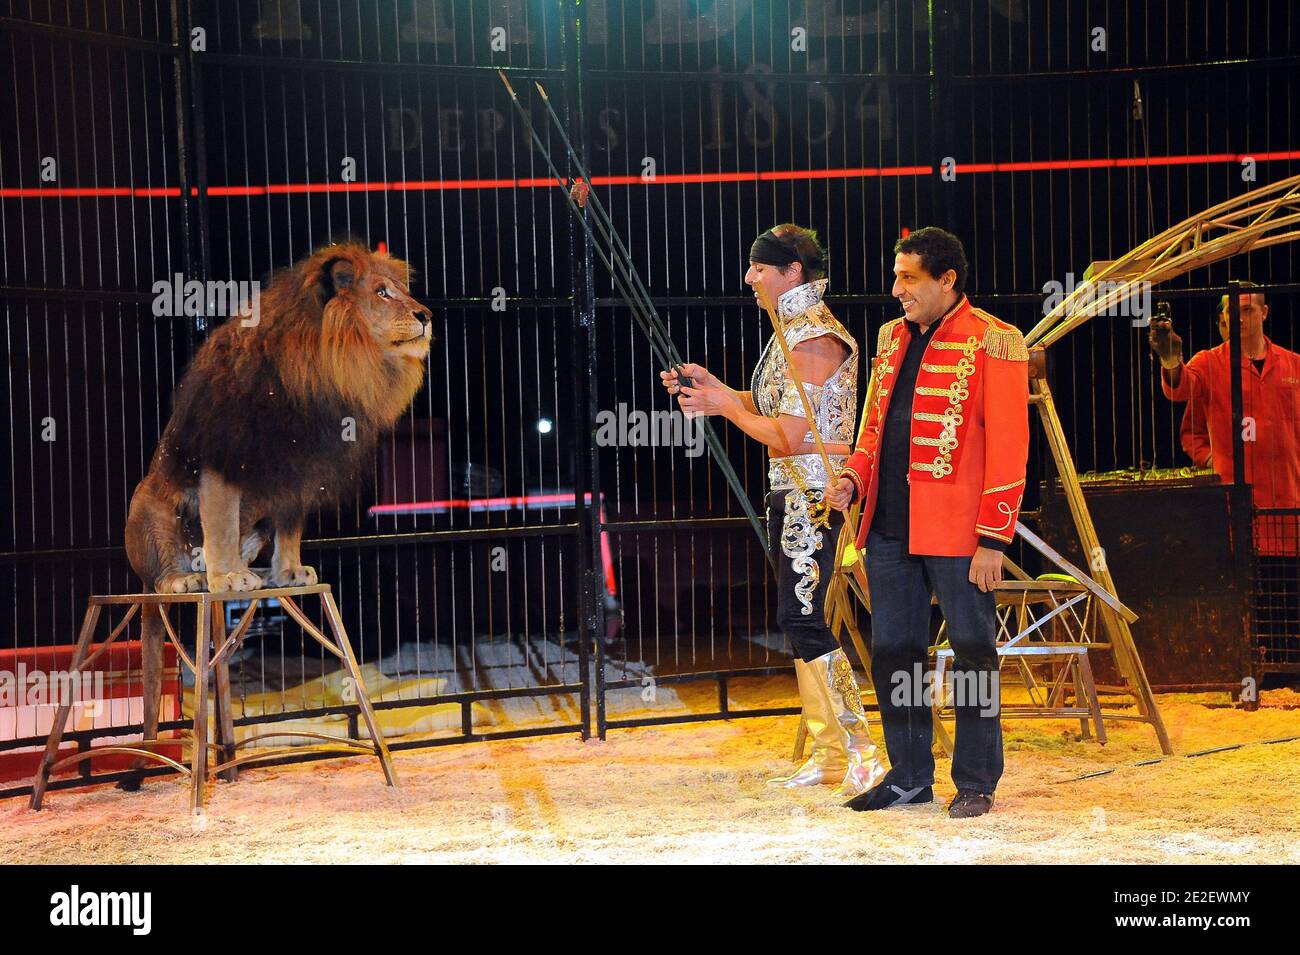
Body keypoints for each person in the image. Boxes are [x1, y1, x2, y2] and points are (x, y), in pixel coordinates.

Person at [660, 224, 886, 798]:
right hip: (792, 492)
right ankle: (830, 748)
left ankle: (861, 750)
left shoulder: (811, 335)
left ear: (792, 272)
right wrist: (717, 390)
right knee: (796, 616)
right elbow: (769, 409)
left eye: (759, 268)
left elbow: (785, 436)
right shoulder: (791, 331)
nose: (749, 278)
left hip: (814, 494)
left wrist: (719, 409)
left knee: (803, 616)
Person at [825, 227, 1030, 818]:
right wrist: (854, 479)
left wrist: (994, 537)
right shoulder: (891, 338)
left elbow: (1011, 448)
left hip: (963, 533)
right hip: (889, 526)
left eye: (908, 279)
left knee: (971, 653)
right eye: (896, 277)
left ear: (947, 280)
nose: (896, 291)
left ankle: (975, 781)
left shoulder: (997, 341)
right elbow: (873, 427)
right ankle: (910, 774)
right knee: (893, 651)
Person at [1149, 285, 1300, 660]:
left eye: (1248, 309)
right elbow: (1181, 389)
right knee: (1247, 591)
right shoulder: (1210, 362)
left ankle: (1288, 672)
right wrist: (1170, 360)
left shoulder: (1293, 365)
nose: (1240, 317)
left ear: (1264, 314)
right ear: (1221, 321)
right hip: (1237, 506)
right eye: (1232, 311)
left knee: (1289, 596)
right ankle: (1250, 670)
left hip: (1290, 503)